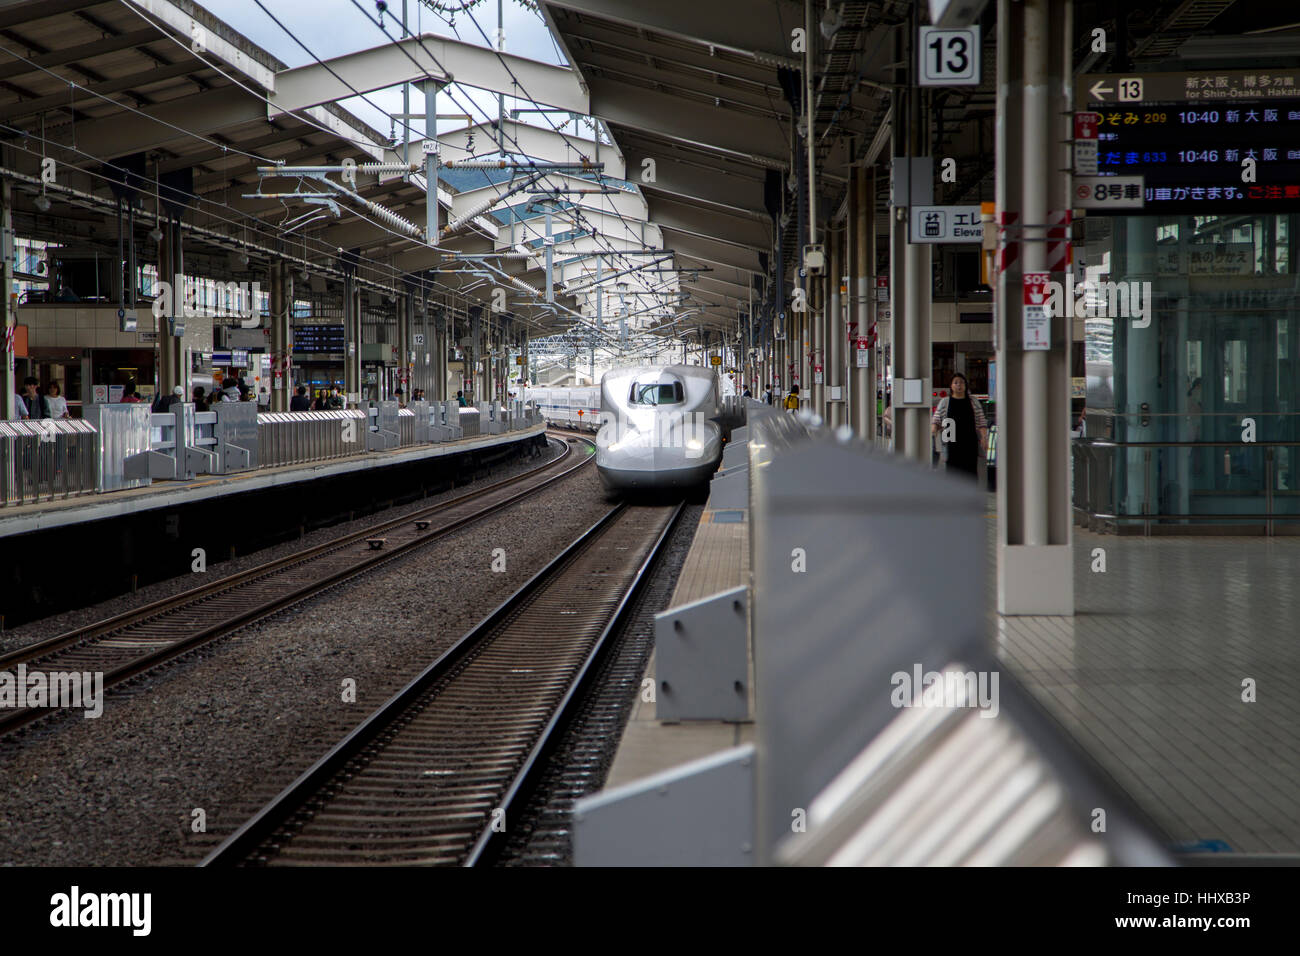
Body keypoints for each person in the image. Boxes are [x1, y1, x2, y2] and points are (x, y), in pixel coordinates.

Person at [931, 372, 988, 481]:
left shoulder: (973, 402)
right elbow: (936, 420)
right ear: (951, 386)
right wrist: (933, 431)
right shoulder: (945, 402)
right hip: (951, 444)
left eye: (962, 382)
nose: (959, 385)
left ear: (965, 385)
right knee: (953, 474)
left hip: (969, 443)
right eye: (955, 382)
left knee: (970, 474)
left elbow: (982, 422)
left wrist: (984, 438)